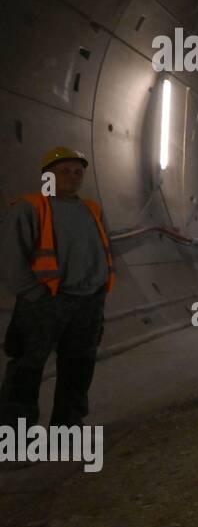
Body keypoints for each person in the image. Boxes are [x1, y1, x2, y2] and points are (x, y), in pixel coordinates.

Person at [1, 147, 115, 429]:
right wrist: (35, 294)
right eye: (64, 171)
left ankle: (67, 429)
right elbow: (11, 257)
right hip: (45, 301)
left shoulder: (92, 209)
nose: (73, 177)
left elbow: (104, 248)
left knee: (78, 368)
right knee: (26, 370)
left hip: (88, 302)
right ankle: (16, 440)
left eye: (78, 172)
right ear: (47, 176)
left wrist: (100, 287)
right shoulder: (30, 207)